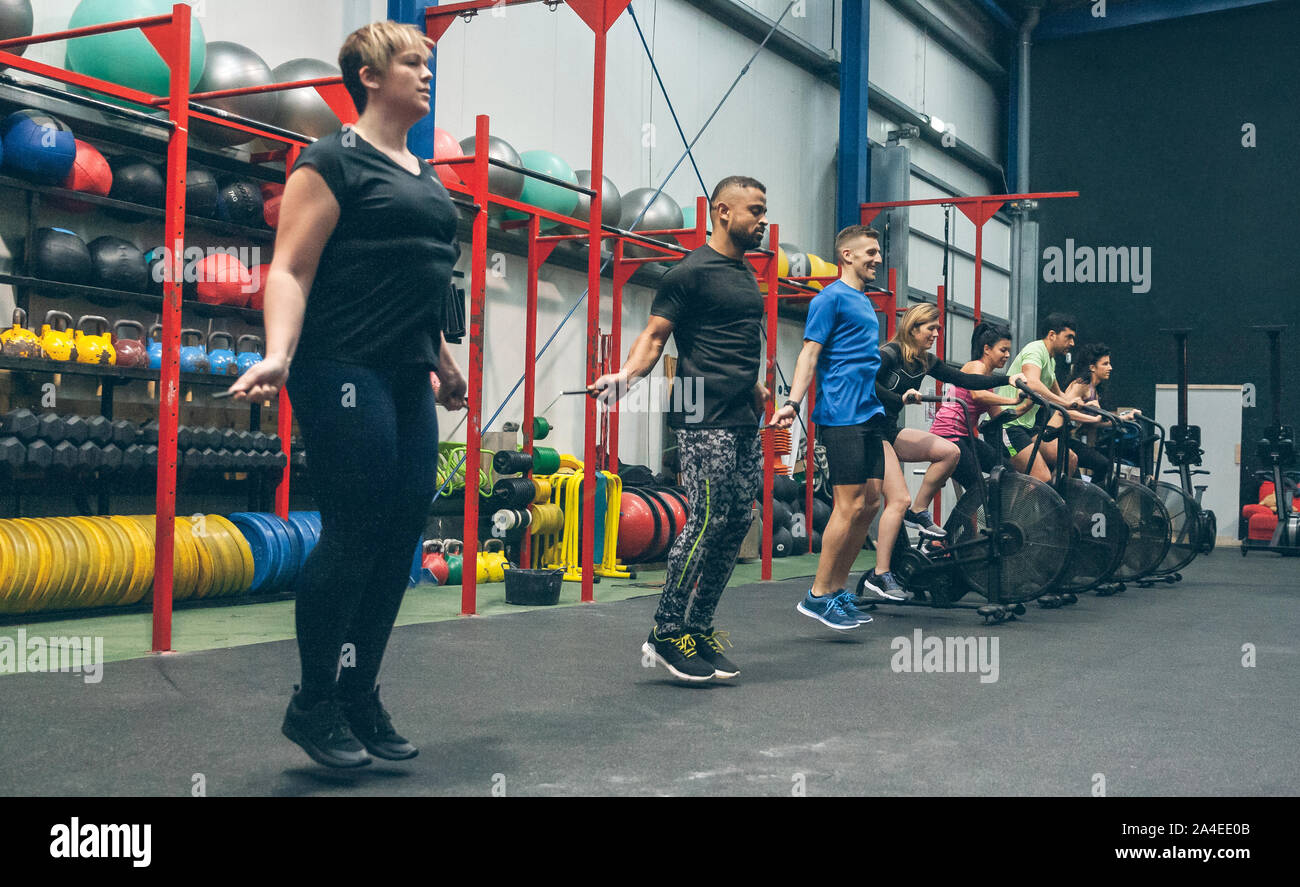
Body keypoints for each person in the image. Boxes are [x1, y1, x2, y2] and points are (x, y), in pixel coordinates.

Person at [227, 21, 467, 768]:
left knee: (401, 535)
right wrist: (278, 352)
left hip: (405, 373)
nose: (426, 74)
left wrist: (443, 360)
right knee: (356, 527)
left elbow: (420, 282)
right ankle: (313, 702)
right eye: (412, 62)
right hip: (339, 366)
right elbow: (290, 268)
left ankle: (358, 691)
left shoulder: (425, 176)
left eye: (428, 64)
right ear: (368, 75)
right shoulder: (331, 160)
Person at [590, 176, 769, 682]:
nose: (762, 220)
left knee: (738, 519)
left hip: (742, 415)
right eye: (754, 211)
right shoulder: (688, 272)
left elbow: (732, 341)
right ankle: (666, 630)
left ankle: (698, 627)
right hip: (703, 415)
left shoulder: (745, 273)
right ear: (723, 212)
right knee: (707, 518)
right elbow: (654, 336)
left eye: (763, 211)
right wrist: (627, 377)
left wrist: (756, 386)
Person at [769, 225, 890, 630]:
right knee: (849, 505)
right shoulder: (830, 298)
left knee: (871, 503)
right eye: (870, 252)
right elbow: (809, 353)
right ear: (847, 256)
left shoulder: (864, 300)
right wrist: (792, 403)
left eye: (878, 252)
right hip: (842, 414)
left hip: (869, 412)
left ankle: (837, 590)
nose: (877, 259)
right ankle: (817, 595)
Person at [872, 304, 1023, 558]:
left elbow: (965, 380)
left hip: (891, 431)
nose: (936, 334)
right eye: (931, 328)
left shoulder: (925, 361)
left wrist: (1007, 379)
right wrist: (899, 399)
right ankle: (886, 566)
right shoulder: (890, 353)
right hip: (870, 431)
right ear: (913, 328)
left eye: (938, 329)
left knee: (949, 452)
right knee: (869, 505)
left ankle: (917, 512)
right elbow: (866, 383)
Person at [928, 321, 1029, 496]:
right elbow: (978, 395)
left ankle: (998, 513)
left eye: (1008, 351)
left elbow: (1000, 416)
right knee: (977, 488)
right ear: (987, 349)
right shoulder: (976, 366)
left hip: (964, 437)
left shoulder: (987, 379)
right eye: (1003, 350)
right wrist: (1013, 400)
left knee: (1008, 472)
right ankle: (966, 514)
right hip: (948, 435)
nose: (1007, 355)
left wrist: (1028, 404)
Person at [994, 313, 1093, 481]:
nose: (1072, 343)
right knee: (1041, 476)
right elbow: (1032, 383)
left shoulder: (1050, 360)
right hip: (1008, 427)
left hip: (1027, 428)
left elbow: (1060, 395)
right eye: (1068, 337)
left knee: (1070, 460)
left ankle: (1052, 497)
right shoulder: (1035, 349)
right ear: (1052, 335)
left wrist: (1081, 405)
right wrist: (1065, 403)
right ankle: (1030, 498)